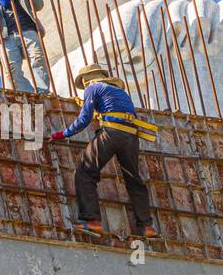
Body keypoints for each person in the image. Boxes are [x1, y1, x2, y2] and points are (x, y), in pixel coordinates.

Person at [48, 62, 157, 239]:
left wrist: (63, 133)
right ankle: (147, 227)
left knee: (85, 173)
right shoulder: (120, 92)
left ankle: (92, 221)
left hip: (112, 132)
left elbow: (84, 118)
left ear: (86, 80)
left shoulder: (94, 87)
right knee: (134, 180)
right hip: (131, 136)